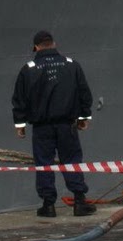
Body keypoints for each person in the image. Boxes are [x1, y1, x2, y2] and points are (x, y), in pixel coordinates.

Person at [11, 30, 95, 217]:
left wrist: (20, 125)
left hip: (42, 127)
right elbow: (84, 94)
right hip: (67, 125)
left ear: (36, 47)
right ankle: (79, 202)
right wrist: (83, 118)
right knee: (72, 161)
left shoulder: (28, 69)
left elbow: (19, 100)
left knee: (44, 164)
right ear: (54, 44)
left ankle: (48, 205)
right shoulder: (71, 65)